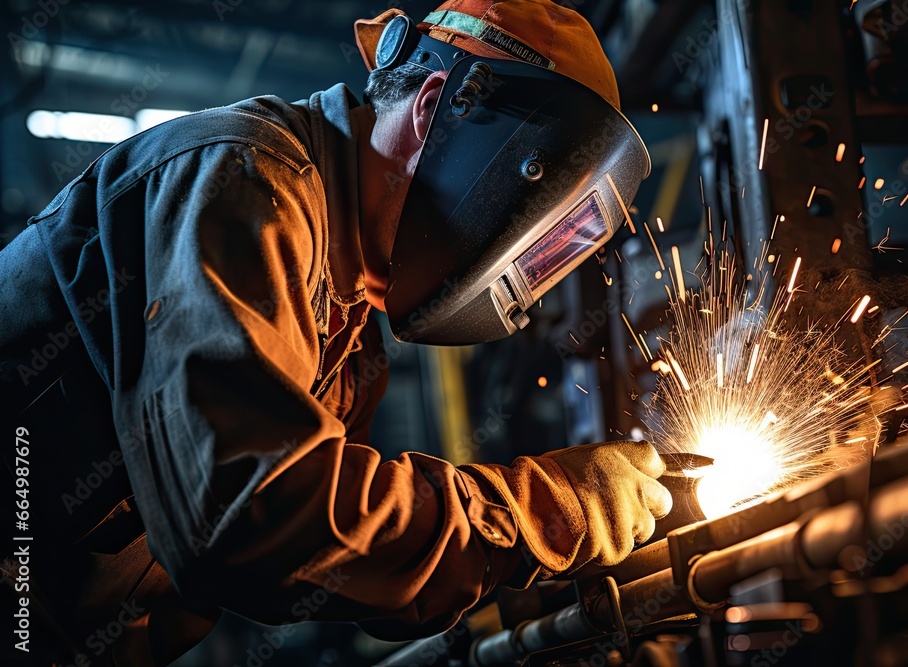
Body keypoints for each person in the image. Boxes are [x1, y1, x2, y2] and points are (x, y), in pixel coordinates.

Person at [0, 1, 670, 664]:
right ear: (432, 108)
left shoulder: (350, 343)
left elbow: (343, 563)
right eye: (531, 217)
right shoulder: (250, 179)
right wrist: (537, 513)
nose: (526, 269)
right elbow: (245, 515)